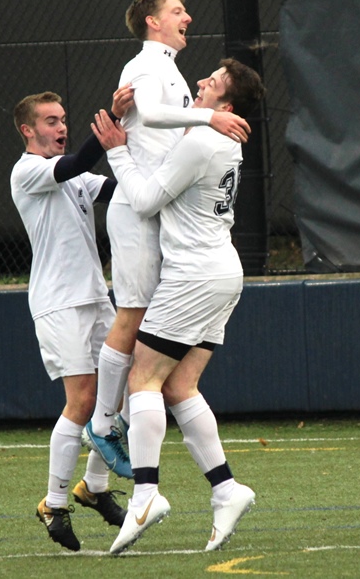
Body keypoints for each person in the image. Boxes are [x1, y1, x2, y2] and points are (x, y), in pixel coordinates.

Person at [91, 58, 266, 554]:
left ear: (226, 103)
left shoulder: (204, 140)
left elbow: (146, 200)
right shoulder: (220, 136)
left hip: (194, 275)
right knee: (180, 385)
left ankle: (145, 494)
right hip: (221, 272)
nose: (202, 82)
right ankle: (226, 488)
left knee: (143, 379)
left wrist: (117, 150)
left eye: (214, 81)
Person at [85, 0, 252, 479]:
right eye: (178, 10)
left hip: (155, 208)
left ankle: (97, 476)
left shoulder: (171, 70)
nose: (188, 17)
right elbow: (154, 115)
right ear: (152, 22)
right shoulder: (144, 65)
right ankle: (102, 424)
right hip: (137, 208)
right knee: (133, 316)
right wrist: (209, 116)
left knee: (148, 338)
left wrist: (206, 120)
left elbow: (163, 131)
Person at [10, 88, 135, 551]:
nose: (61, 127)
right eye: (51, 121)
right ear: (28, 130)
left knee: (121, 392)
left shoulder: (76, 174)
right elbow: (78, 162)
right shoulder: (28, 170)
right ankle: (54, 504)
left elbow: (120, 191)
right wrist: (110, 126)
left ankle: (94, 487)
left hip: (96, 296)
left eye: (63, 119)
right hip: (58, 302)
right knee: (82, 401)